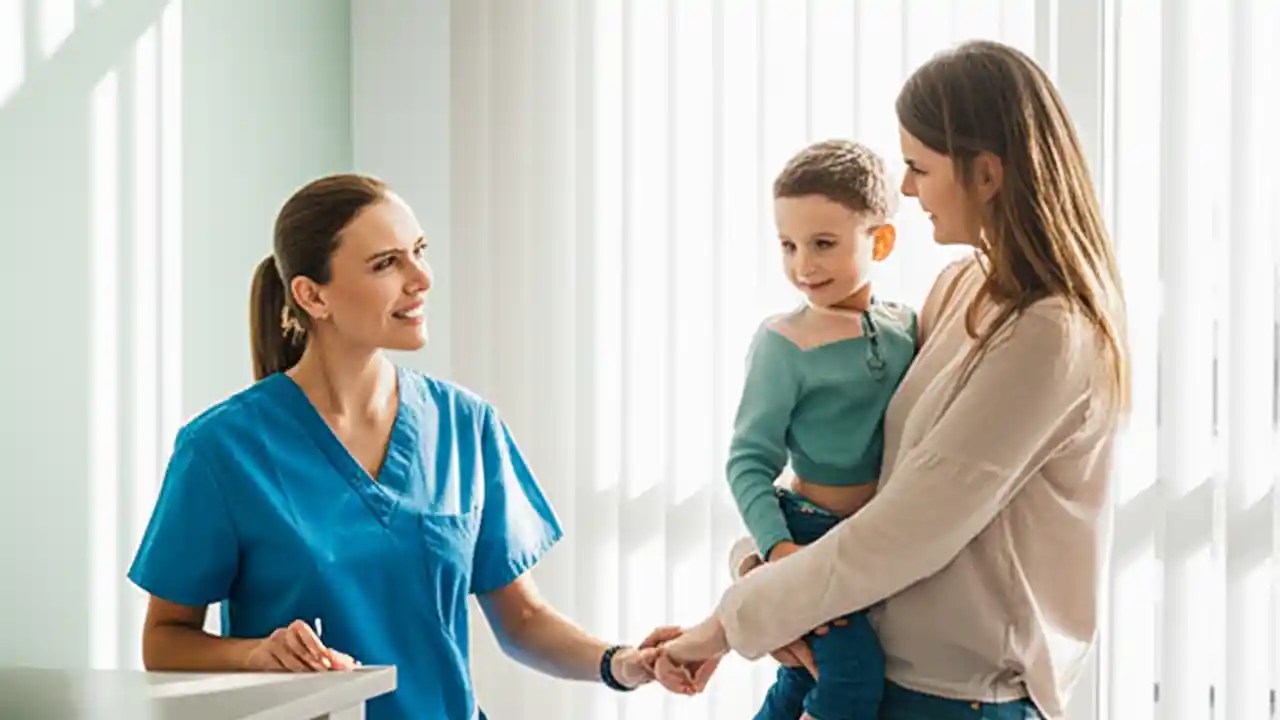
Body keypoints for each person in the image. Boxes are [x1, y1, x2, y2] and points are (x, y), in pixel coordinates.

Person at [655, 39, 1129, 720]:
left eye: (918, 167)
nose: (905, 190)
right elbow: (871, 476)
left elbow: (911, 527)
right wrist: (762, 561)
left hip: (955, 700)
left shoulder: (1049, 333)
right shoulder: (963, 287)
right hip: (880, 667)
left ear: (987, 173)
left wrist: (726, 626)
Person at [127, 173, 678, 720]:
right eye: (386, 263)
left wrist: (624, 662)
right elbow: (165, 640)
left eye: (419, 251)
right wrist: (255, 653)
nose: (421, 278)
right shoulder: (222, 449)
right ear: (312, 295)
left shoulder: (467, 426)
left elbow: (524, 622)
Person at [726, 139, 915, 720]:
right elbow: (747, 461)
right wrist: (777, 552)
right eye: (788, 246)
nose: (803, 266)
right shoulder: (783, 341)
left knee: (801, 678)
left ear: (880, 240)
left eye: (824, 244)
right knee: (850, 676)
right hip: (806, 533)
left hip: (868, 540)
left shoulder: (908, 326)